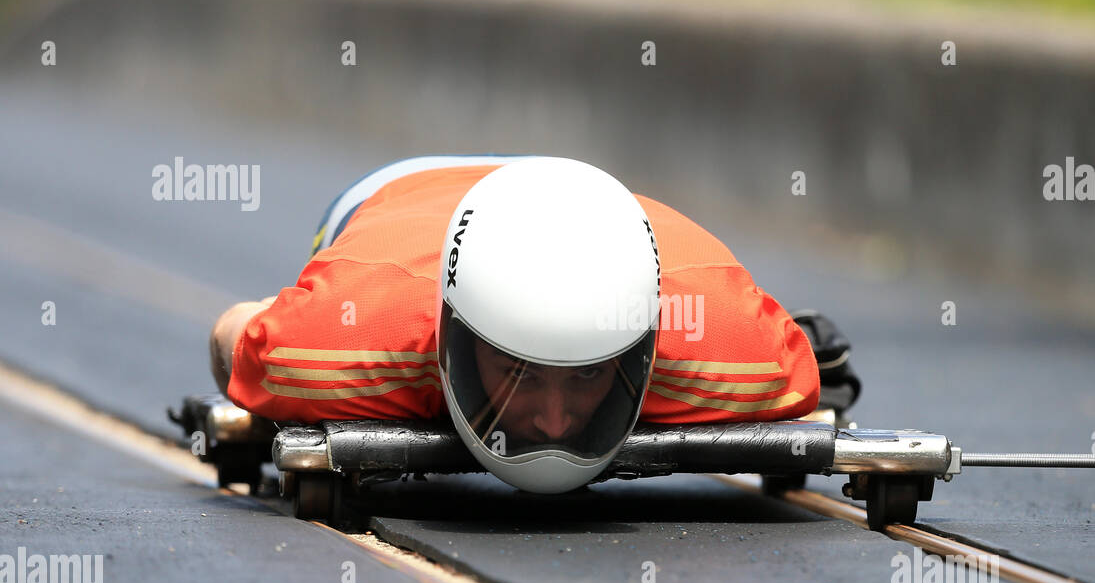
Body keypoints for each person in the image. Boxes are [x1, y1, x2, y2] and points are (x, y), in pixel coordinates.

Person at [210, 155, 857, 493]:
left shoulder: (724, 342)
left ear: (642, 349)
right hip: (403, 189)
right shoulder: (346, 337)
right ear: (455, 340)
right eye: (517, 369)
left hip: (590, 196)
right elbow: (234, 330)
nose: (553, 422)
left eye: (586, 375)